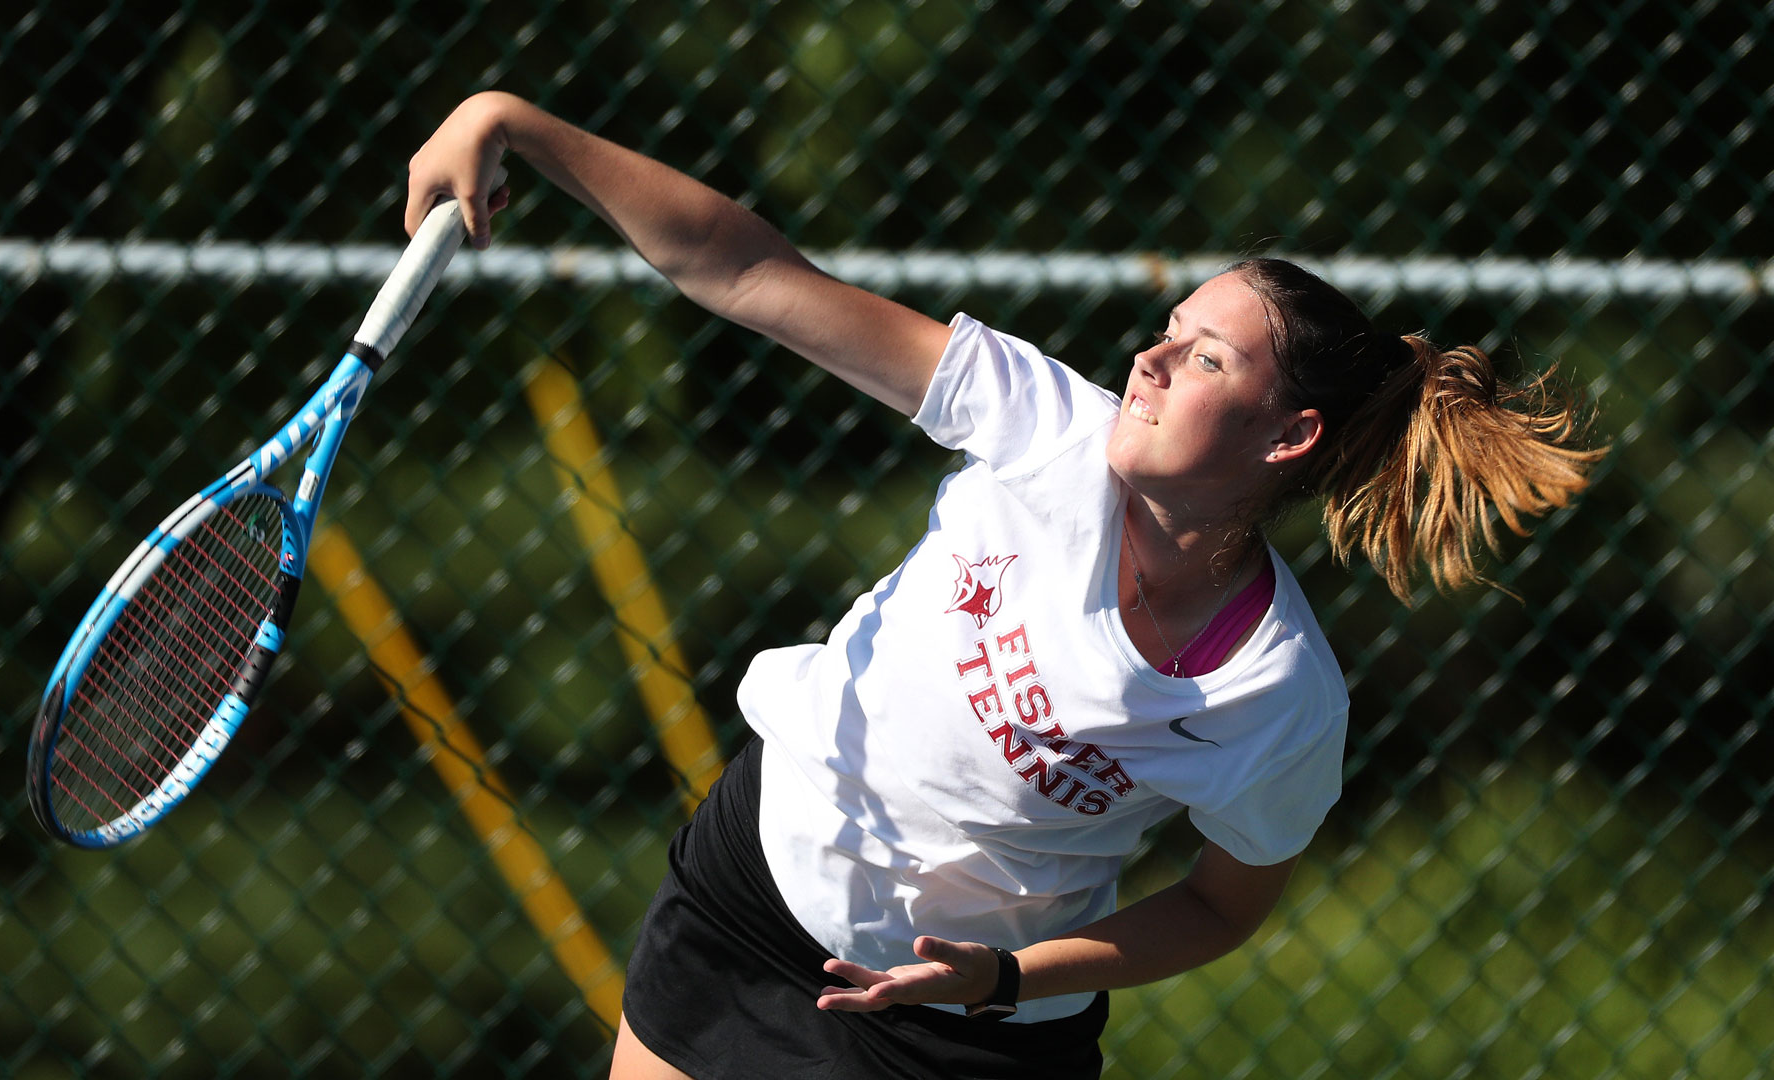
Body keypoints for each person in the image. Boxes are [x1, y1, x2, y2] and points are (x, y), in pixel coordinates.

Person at [404, 91, 1602, 1079]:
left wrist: (1008, 978)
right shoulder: (1043, 426)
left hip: (957, 1035)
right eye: (1169, 327)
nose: (1151, 358)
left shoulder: (1278, 698)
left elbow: (1221, 907)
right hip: (753, 894)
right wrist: (520, 126)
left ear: (1287, 437)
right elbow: (752, 275)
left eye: (1205, 357)